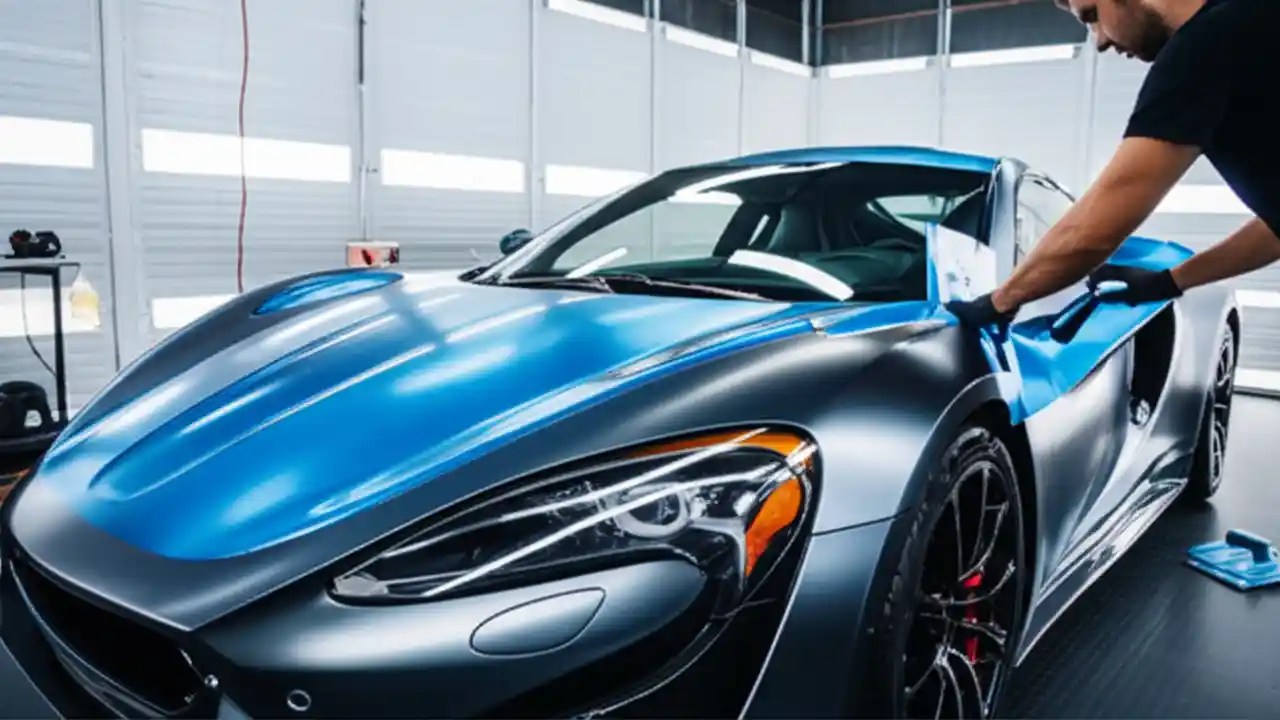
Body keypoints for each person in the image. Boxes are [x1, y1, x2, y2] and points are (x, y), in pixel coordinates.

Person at [947, 0, 1280, 331]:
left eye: (1092, 16)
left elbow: (1093, 232)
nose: (1100, 41)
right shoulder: (1247, 23)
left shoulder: (1205, 48)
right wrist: (1168, 281)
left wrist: (999, 303)